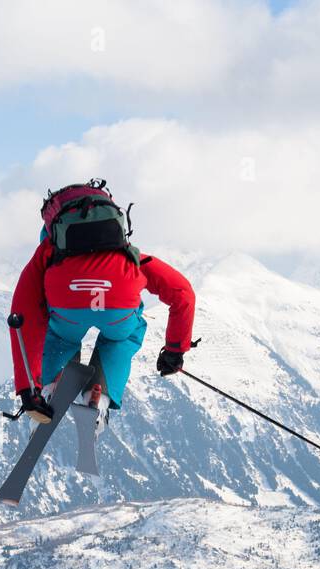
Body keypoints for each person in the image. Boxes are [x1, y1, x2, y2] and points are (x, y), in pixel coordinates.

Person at [10, 179, 195, 428]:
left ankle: (52, 384)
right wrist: (175, 349)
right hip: (117, 308)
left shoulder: (47, 252)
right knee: (122, 338)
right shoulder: (129, 255)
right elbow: (182, 293)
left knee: (58, 335)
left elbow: (23, 315)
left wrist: (28, 387)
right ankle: (99, 398)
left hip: (68, 308)